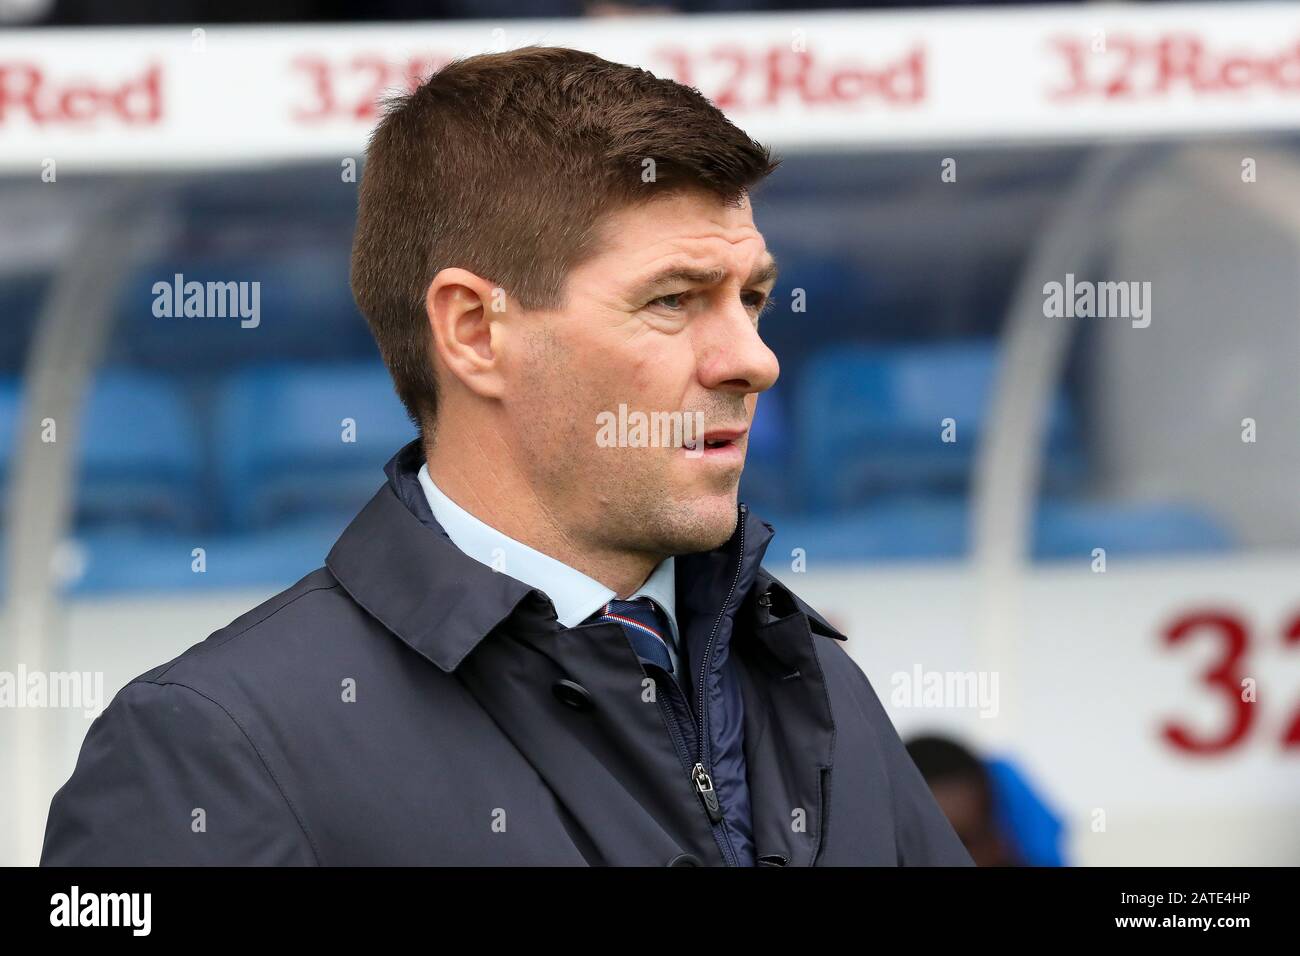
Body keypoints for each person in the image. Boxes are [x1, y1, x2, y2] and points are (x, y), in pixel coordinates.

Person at [40, 46, 971, 867]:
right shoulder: (215, 747)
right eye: (674, 300)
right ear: (477, 330)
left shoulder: (810, 677)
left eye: (752, 298)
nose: (753, 359)